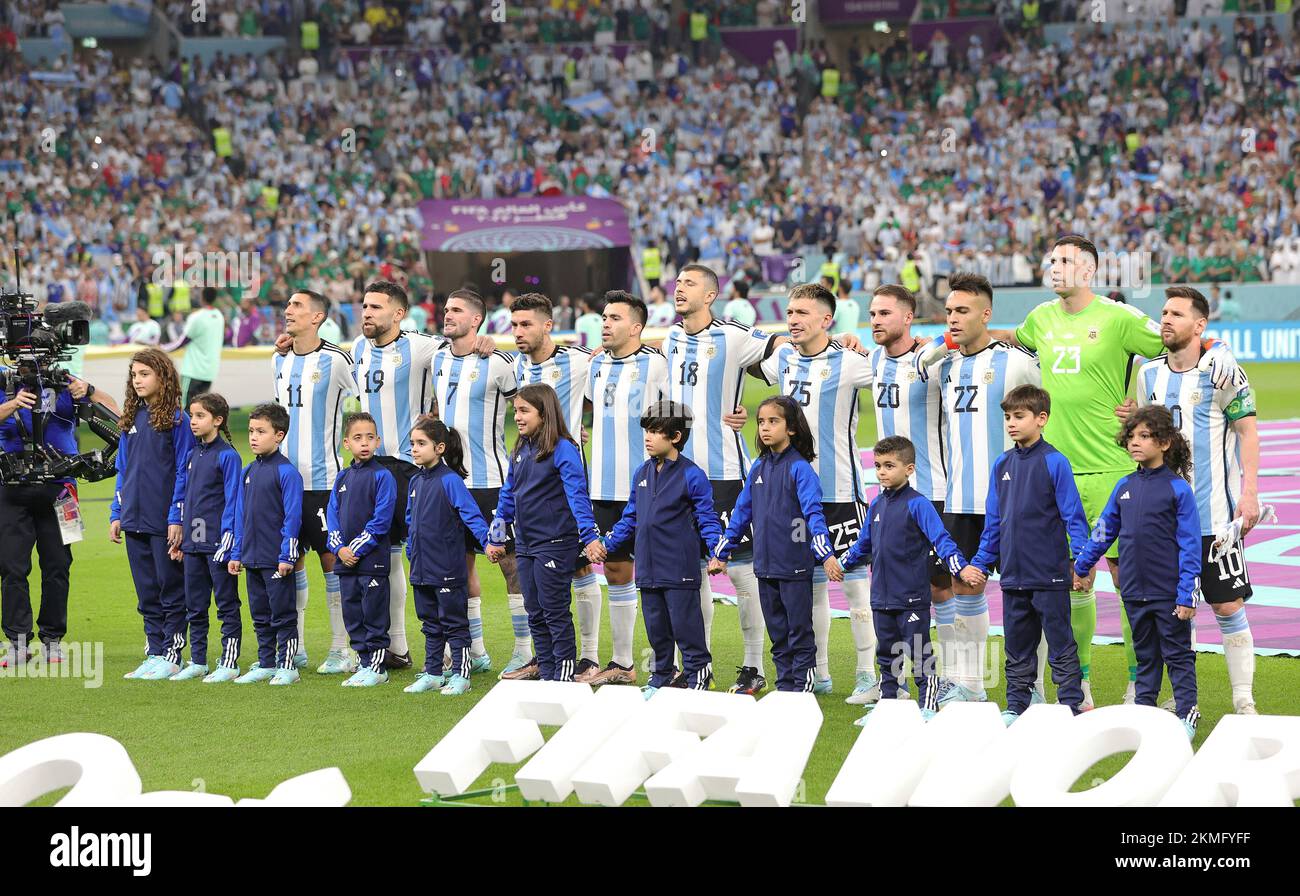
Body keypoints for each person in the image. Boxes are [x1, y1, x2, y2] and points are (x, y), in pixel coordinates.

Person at [995, 234, 1225, 707]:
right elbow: (1009, 338)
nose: (1054, 267)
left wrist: (1209, 349)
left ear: (1089, 271)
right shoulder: (1041, 318)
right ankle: (1075, 685)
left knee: (1128, 581)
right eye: (1051, 260)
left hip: (1112, 472)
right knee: (1065, 581)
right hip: (1055, 473)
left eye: (1064, 261)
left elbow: (1174, 346)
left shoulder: (1118, 319)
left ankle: (1139, 682)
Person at [1133, 287, 1261, 714]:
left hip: (1216, 516)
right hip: (1165, 521)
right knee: (1175, 611)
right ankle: (1184, 699)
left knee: (1226, 604)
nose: (1165, 319)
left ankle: (1243, 699)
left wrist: (1250, 492)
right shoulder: (1149, 374)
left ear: (1200, 325)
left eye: (1177, 314)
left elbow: (1247, 431)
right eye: (1164, 312)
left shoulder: (1222, 370)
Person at [917, 272, 1040, 706]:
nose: (952, 318)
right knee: (964, 587)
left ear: (986, 314)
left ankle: (1035, 689)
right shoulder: (944, 365)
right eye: (949, 310)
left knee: (1024, 594)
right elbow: (916, 364)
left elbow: (1045, 414)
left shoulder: (1016, 361)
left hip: (1013, 501)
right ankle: (971, 683)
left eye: (962, 311)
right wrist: (945, 341)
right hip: (961, 497)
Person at [754, 283, 874, 696]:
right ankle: (819, 672)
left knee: (855, 584)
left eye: (803, 313)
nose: (793, 319)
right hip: (792, 496)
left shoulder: (851, 362)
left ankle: (867, 675)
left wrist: (850, 341)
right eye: (790, 312)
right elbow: (752, 367)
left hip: (839, 491)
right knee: (809, 585)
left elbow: (894, 369)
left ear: (826, 320)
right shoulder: (783, 357)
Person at [1074, 406, 1202, 740]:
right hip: (1133, 590)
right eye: (1131, 436)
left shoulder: (1178, 490)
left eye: (1145, 436)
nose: (1135, 442)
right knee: (1145, 656)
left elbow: (1190, 546)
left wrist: (1187, 592)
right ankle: (1145, 714)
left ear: (1164, 443)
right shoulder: (1124, 486)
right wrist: (1082, 565)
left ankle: (1188, 711)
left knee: (1177, 654)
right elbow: (1103, 531)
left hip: (1168, 592)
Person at [965, 385, 1090, 722]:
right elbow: (994, 522)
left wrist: (1082, 562)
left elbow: (1073, 516)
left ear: (1042, 418)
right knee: (1017, 646)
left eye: (1019, 416)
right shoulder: (1002, 463)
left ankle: (1070, 704)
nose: (1011, 423)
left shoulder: (1055, 462)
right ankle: (1016, 705)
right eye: (1007, 417)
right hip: (1013, 575)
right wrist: (980, 563)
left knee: (1061, 645)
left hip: (1049, 574)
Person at [709, 396, 842, 693]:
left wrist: (826, 555)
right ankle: (785, 685)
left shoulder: (801, 469)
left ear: (792, 428)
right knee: (778, 632)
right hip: (764, 566)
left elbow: (814, 515)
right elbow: (741, 513)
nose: (765, 428)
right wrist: (721, 553)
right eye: (761, 422)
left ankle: (803, 685)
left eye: (773, 421)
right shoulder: (759, 467)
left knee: (799, 630)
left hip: (794, 566)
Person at [839, 436, 970, 723]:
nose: (882, 472)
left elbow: (941, 540)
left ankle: (929, 705)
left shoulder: (918, 505)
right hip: (881, 597)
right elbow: (863, 544)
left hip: (911, 597)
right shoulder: (876, 506)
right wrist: (842, 563)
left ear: (909, 469)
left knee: (919, 653)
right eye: (877, 466)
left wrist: (959, 567)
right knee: (886, 654)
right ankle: (888, 705)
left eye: (889, 465)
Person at [866, 284, 951, 705]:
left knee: (940, 587)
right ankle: (888, 684)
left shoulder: (926, 360)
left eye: (885, 313)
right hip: (889, 495)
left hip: (931, 490)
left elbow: (955, 337)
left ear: (907, 317)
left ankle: (954, 676)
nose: (876, 321)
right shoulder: (874, 359)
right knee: (893, 589)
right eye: (873, 314)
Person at [603, 400, 722, 697]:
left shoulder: (692, 475)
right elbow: (630, 516)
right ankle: (662, 676)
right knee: (657, 629)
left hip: (679, 568)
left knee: (686, 627)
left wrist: (718, 552)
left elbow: (708, 519)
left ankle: (697, 674)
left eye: (656, 432)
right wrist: (607, 546)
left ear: (676, 437)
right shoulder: (642, 472)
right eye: (647, 431)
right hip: (647, 568)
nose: (648, 437)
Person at [511, 292, 602, 679]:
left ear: (548, 325)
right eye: (513, 324)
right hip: (531, 479)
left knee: (580, 570)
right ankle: (544, 657)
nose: (517, 331)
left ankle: (589, 656)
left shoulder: (578, 360)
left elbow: (611, 389)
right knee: (536, 585)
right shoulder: (514, 365)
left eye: (525, 324)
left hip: (566, 483)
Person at [486, 385, 604, 682]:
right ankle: (547, 673)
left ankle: (562, 676)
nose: (519, 417)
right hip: (526, 544)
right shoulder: (520, 447)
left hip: (555, 543)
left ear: (544, 412)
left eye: (525, 411)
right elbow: (507, 496)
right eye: (516, 411)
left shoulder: (564, 448)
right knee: (534, 611)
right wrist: (497, 536)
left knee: (554, 611)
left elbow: (578, 495)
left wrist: (589, 537)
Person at [0, 367, 117, 667]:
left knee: (59, 565)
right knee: (11, 567)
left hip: (62, 489)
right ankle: (17, 642)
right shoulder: (4, 381)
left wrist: (90, 391)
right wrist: (11, 405)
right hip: (11, 487)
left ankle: (52, 641)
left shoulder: (65, 379)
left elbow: (117, 416)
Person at [430, 287, 518, 676]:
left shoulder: (498, 362)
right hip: (450, 482)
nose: (447, 314)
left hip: (491, 482)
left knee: (511, 564)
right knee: (458, 566)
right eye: (446, 309)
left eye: (457, 310)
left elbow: (528, 408)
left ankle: (525, 649)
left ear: (476, 320)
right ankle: (477, 651)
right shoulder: (436, 358)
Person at [582, 291, 668, 686]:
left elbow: (681, 414)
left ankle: (674, 661)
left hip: (647, 488)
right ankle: (622, 662)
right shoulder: (595, 364)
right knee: (615, 569)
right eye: (604, 316)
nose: (605, 323)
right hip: (602, 486)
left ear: (636, 327)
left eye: (614, 317)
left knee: (658, 573)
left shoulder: (656, 364)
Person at [273, 289, 360, 675]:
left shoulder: (337, 360)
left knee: (332, 563)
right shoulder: (278, 358)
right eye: (288, 305)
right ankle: (297, 647)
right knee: (290, 561)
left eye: (297, 306)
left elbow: (363, 407)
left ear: (317, 317)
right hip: (284, 480)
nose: (288, 311)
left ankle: (344, 648)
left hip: (324, 481)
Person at [110, 348, 196, 681]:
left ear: (163, 376)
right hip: (134, 517)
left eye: (144, 374)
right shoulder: (131, 420)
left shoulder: (177, 419)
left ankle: (173, 654)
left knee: (169, 587)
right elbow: (122, 469)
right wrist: (117, 511)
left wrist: (176, 516)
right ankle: (155, 652)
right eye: (134, 375)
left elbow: (183, 470)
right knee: (146, 590)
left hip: (163, 521)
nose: (138, 380)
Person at [404, 417, 492, 696]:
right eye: (412, 444)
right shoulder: (415, 481)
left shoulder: (451, 481)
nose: (415, 449)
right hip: (421, 568)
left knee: (454, 622)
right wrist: (411, 550)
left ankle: (461, 674)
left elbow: (472, 517)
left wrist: (488, 543)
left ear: (440, 448)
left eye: (421, 444)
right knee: (429, 623)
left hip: (447, 567)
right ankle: (432, 672)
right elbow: (411, 520)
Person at [228, 403, 304, 686]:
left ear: (279, 435)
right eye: (250, 431)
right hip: (251, 556)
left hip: (276, 559)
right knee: (259, 614)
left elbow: (293, 517)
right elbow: (240, 515)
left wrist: (287, 555)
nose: (253, 437)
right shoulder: (248, 471)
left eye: (261, 431)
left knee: (282, 614)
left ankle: (287, 666)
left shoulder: (287, 473)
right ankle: (266, 662)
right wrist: (237, 552)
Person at [169, 392, 243, 682]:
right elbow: (184, 495)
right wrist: (182, 538)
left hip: (218, 545)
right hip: (193, 544)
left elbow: (234, 502)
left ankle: (229, 661)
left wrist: (229, 542)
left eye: (200, 416)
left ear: (218, 420)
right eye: (192, 415)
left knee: (226, 604)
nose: (193, 421)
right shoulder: (192, 454)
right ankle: (198, 660)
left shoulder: (228, 457)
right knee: (195, 605)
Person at [326, 412, 397, 688]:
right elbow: (332, 516)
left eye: (370, 437)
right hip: (346, 561)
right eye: (358, 438)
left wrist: (353, 549)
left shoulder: (383, 476)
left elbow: (381, 520)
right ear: (347, 443)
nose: (364, 443)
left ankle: (378, 666)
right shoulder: (342, 477)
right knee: (352, 614)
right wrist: (338, 548)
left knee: (374, 614)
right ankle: (364, 662)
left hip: (371, 561)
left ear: (378, 441)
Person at [165, 286, 226, 407]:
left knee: (184, 409)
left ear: (202, 297)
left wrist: (162, 348)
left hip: (193, 371)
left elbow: (182, 341)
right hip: (209, 372)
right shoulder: (219, 316)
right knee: (201, 409)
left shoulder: (197, 317)